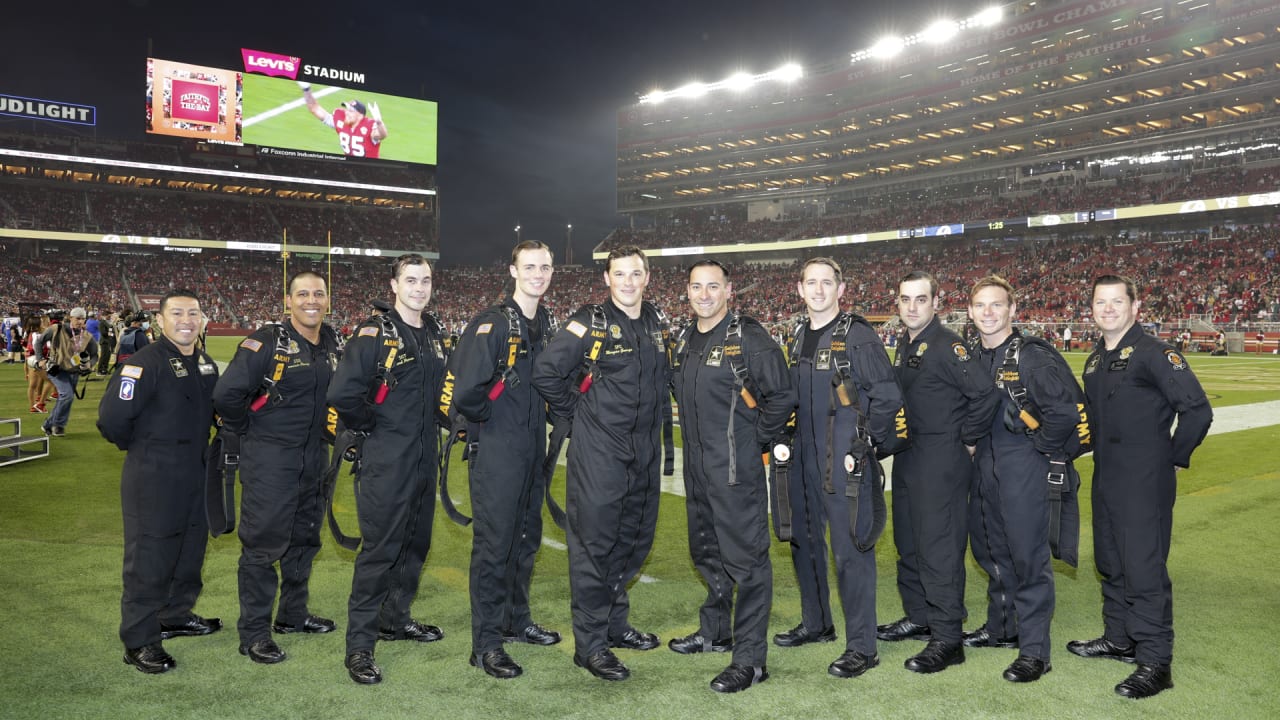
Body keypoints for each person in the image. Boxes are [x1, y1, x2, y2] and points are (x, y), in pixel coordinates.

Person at [1069, 274, 1212, 699]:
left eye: (1117, 301)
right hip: (1106, 475)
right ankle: (1119, 639)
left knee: (1143, 568)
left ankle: (1155, 661)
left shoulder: (1155, 353)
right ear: (1091, 310)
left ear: (1136, 307)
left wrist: (1174, 457)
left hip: (1144, 478)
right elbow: (1091, 424)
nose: (1108, 309)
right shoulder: (1095, 360)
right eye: (1101, 302)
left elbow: (1197, 410)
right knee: (1111, 561)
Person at [531, 245, 670, 683]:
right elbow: (545, 373)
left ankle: (614, 624)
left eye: (636, 273)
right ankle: (590, 646)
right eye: (620, 274)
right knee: (594, 548)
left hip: (644, 452)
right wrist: (578, 414)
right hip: (600, 455)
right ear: (607, 279)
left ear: (647, 278)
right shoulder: (588, 321)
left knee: (632, 541)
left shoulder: (654, 322)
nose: (628, 282)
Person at [775, 258, 907, 680]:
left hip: (844, 462)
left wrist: (865, 443)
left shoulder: (857, 335)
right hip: (803, 460)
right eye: (811, 282)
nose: (818, 290)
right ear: (799, 289)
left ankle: (862, 648)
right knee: (805, 543)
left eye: (826, 282)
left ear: (841, 288)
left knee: (851, 552)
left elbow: (888, 396)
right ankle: (816, 623)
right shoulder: (799, 335)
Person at [667, 260, 795, 693]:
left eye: (712, 286)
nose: (704, 295)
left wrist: (752, 439)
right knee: (707, 553)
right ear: (687, 291)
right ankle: (716, 631)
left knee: (747, 563)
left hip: (736, 472)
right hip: (698, 471)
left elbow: (782, 396)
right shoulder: (686, 337)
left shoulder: (749, 338)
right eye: (696, 287)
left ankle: (750, 661)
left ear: (728, 290)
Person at [326, 254, 448, 685]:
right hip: (387, 460)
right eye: (410, 280)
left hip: (424, 458)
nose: (419, 288)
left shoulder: (432, 332)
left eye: (425, 280)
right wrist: (371, 427)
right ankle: (359, 647)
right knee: (379, 554)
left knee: (414, 545)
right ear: (394, 285)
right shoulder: (374, 332)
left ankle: (394, 620)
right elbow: (342, 393)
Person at [444, 241, 562, 680]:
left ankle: (516, 620)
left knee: (526, 541)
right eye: (529, 266)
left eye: (544, 267)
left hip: (531, 450)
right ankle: (486, 644)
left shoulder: (544, 322)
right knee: (494, 548)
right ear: (513, 271)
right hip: (498, 451)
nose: (537, 274)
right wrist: (495, 423)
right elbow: (465, 393)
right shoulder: (492, 323)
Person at [212, 271, 343, 665]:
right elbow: (226, 394)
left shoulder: (331, 342)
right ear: (288, 301)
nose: (311, 301)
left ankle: (292, 615)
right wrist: (248, 429)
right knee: (263, 544)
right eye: (302, 294)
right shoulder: (268, 341)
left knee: (305, 539)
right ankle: (254, 633)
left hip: (315, 457)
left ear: (327, 300)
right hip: (271, 460)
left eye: (318, 294)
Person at [966, 275, 1085, 683]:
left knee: (1028, 559)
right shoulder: (973, 354)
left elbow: (1066, 413)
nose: (988, 313)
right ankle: (1002, 628)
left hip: (1024, 469)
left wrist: (1039, 449)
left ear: (1012, 310)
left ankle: (1035, 652)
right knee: (991, 550)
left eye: (997, 304)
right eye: (980, 305)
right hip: (985, 467)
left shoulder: (1031, 356)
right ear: (969, 311)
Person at [880, 270, 999, 674]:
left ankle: (948, 638)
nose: (912, 307)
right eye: (905, 299)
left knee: (939, 547)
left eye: (921, 299)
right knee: (909, 541)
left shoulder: (949, 345)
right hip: (909, 455)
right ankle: (920, 616)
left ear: (936, 303)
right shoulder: (906, 342)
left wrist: (968, 437)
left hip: (941, 458)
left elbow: (986, 394)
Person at [97, 289, 221, 674]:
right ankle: (139, 639)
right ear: (160, 321)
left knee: (190, 549)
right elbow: (112, 420)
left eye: (193, 313)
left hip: (197, 470)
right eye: (177, 313)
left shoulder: (205, 363)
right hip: (154, 472)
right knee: (150, 557)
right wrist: (147, 449)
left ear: (202, 320)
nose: (186, 320)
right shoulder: (142, 364)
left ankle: (175, 615)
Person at [33, 307, 99, 437]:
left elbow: (95, 355)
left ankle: (54, 426)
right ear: (70, 318)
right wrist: (40, 359)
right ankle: (55, 425)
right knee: (67, 396)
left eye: (83, 319)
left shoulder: (87, 336)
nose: (80, 321)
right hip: (57, 369)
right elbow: (38, 342)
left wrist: (89, 365)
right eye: (78, 318)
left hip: (74, 371)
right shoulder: (56, 329)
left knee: (66, 399)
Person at [299, 83, 388, 159]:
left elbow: (382, 135)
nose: (347, 113)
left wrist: (379, 122)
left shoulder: (369, 126)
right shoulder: (341, 122)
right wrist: (306, 89)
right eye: (347, 109)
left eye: (351, 111)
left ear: (360, 116)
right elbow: (314, 109)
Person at [23, 315, 49, 413]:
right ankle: (40, 403)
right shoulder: (36, 334)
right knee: (51, 380)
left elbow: (26, 347)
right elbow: (36, 348)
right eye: (41, 322)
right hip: (37, 360)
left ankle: (33, 406)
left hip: (31, 360)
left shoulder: (31, 333)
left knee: (32, 385)